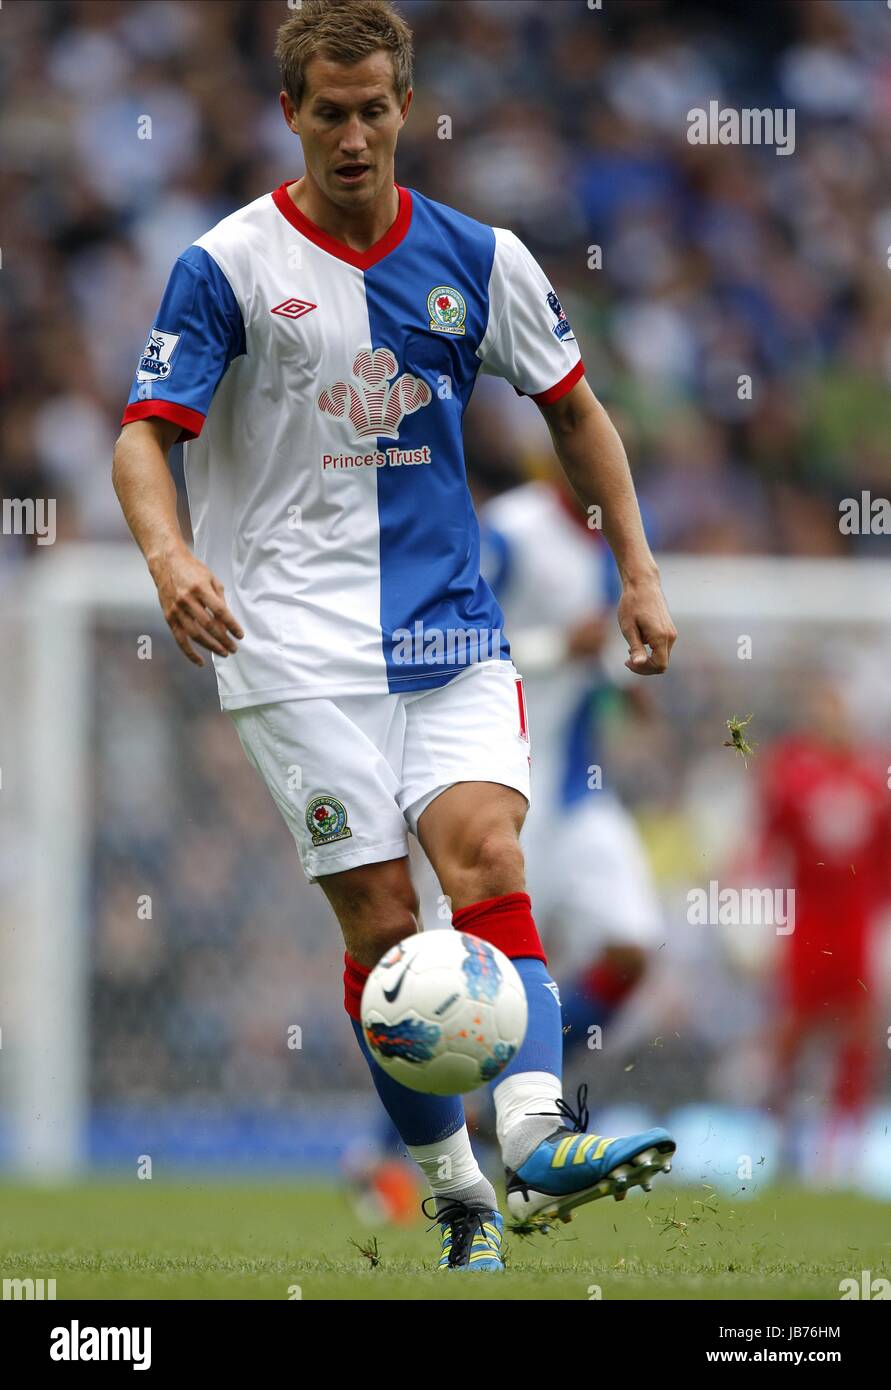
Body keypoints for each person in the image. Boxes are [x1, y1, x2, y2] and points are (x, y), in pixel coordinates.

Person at [112, 0, 677, 1271]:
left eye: (375, 109)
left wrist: (637, 568)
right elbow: (143, 432)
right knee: (381, 931)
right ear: (291, 114)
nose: (356, 135)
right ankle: (451, 1183)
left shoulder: (481, 258)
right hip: (290, 649)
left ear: (406, 106)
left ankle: (535, 1136)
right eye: (331, 113)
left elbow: (577, 413)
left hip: (451, 634)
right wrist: (168, 555)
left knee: (486, 853)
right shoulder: (231, 265)